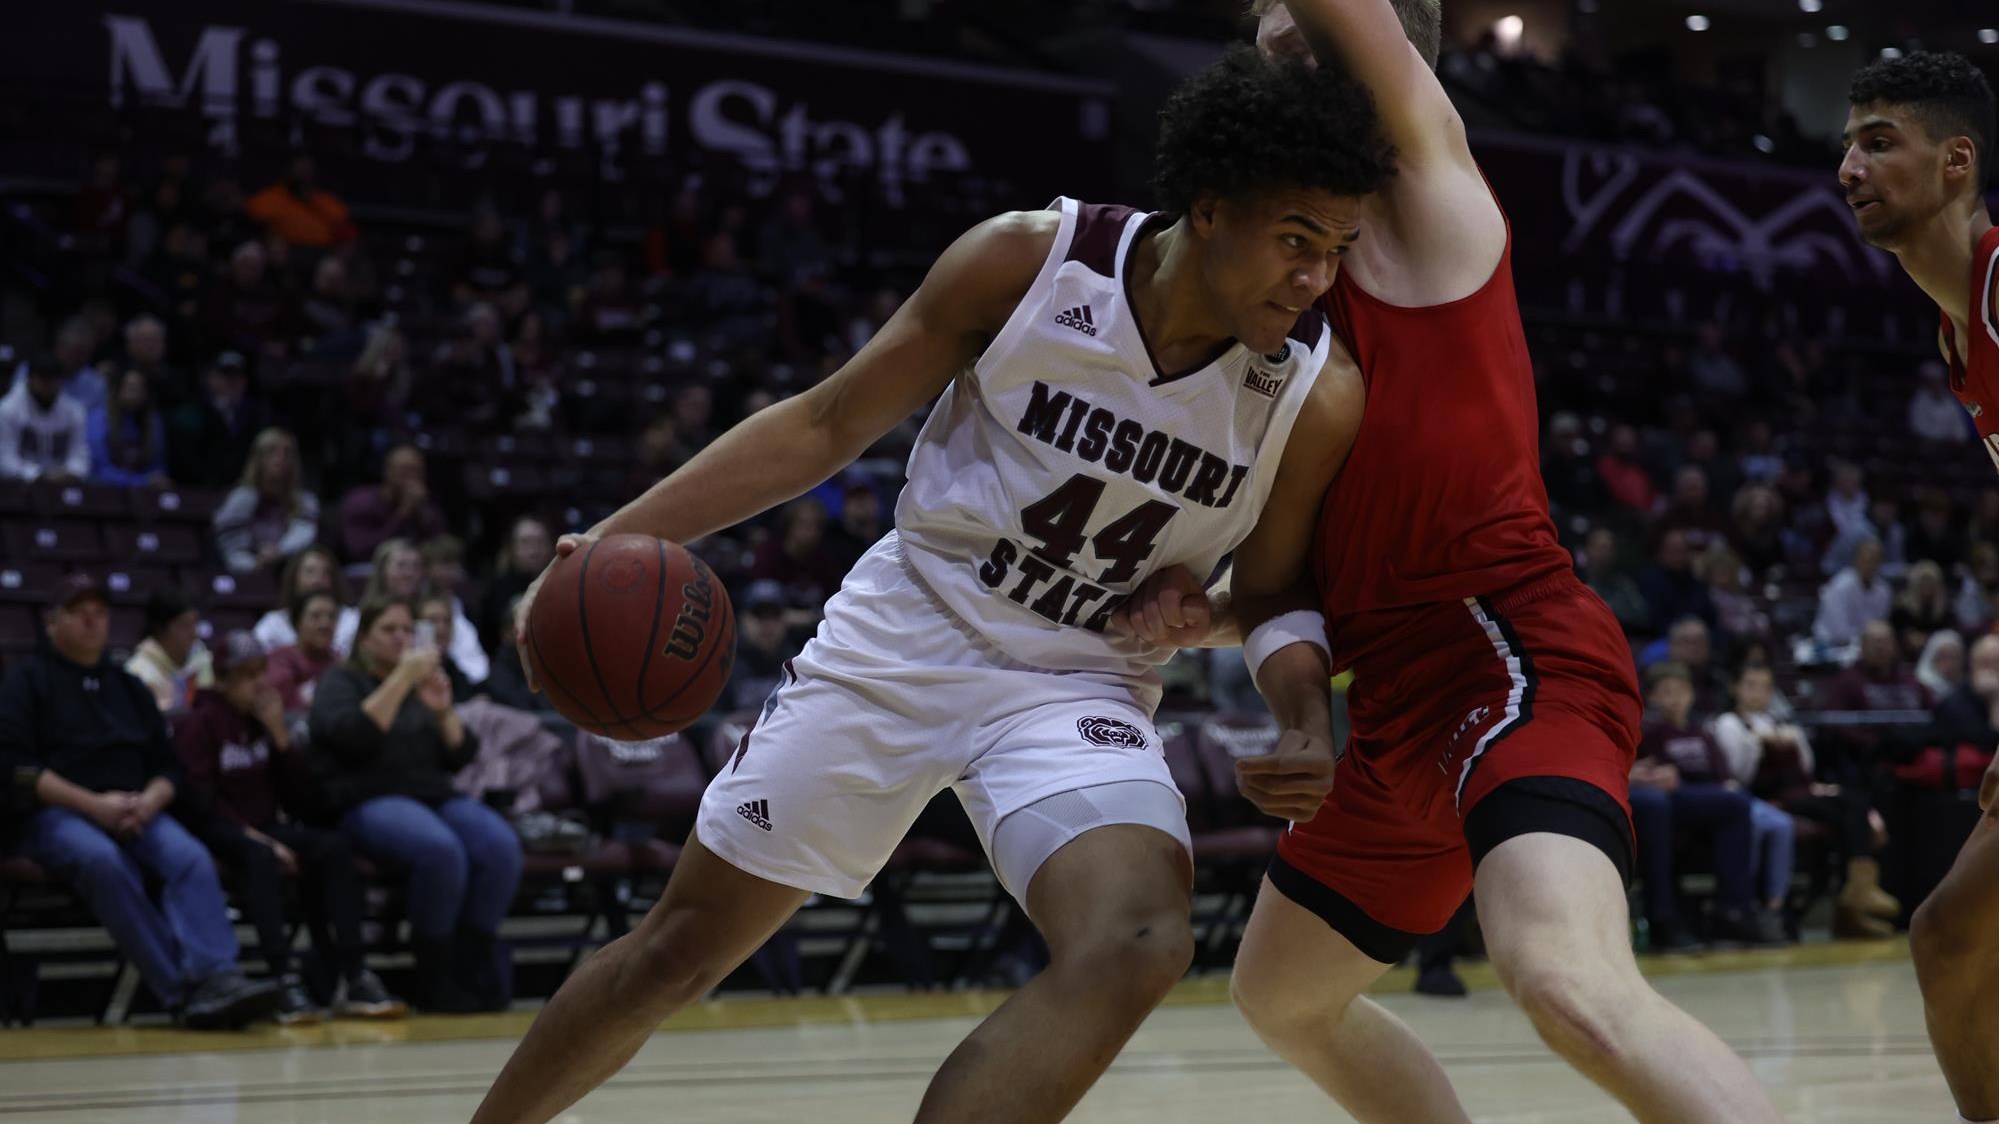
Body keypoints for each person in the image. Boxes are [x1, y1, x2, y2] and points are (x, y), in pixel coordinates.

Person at [470, 48, 1392, 1124]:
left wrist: (1293, 711)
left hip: (1079, 681)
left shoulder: (1314, 394)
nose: (1314, 279)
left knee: (1139, 937)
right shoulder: (1028, 263)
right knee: (678, 950)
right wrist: (601, 546)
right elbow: (822, 424)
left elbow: (1275, 589)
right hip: (907, 629)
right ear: (1211, 206)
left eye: (1336, 250)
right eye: (1294, 241)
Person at [1122, 4, 1785, 1120]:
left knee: (1566, 983)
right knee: (1281, 995)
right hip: (1390, 707)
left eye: (1298, 31)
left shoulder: (1429, 202)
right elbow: (1337, 563)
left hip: (1512, 660)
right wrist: (1216, 615)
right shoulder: (1287, 297)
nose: (1273, 44)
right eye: (1262, 34)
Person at [1843, 51, 1999, 1105]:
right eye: (1846, 145)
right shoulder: (1956, 325)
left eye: (1877, 140)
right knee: (1948, 938)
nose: (1849, 165)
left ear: (1956, 161)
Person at [0, 574, 281, 1028]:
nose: (93, 622)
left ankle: (219, 977)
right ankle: (180, 991)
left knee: (188, 856)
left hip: (137, 808)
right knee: (103, 860)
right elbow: (17, 769)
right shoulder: (25, 683)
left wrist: (148, 802)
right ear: (52, 622)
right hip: (58, 814)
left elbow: (170, 767)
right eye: (80, 613)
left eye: (101, 613)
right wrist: (94, 806)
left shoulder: (127, 686)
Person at [174, 631, 406, 1024]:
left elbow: (303, 800)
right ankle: (281, 978)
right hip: (219, 829)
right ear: (224, 680)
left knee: (332, 848)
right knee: (262, 858)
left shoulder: (265, 719)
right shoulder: (201, 723)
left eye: (261, 672)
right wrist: (255, 836)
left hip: (267, 825)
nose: (259, 683)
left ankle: (354, 973)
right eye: (247, 675)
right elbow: (199, 805)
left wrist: (281, 739)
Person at [308, 596, 522, 1012]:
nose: (401, 639)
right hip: (366, 797)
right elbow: (353, 736)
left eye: (407, 630)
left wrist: (443, 713)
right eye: (389, 630)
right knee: (440, 851)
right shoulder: (341, 681)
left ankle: (471, 962)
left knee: (500, 845)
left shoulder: (420, 684)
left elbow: (461, 755)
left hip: (433, 794)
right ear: (364, 638)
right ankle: (433, 973)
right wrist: (400, 681)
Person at [1711, 663, 1900, 939]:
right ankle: (1854, 896)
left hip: (1798, 791)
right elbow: (1738, 774)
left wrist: (1790, 741)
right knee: (1845, 811)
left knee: (1853, 801)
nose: (1757, 693)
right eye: (1750, 685)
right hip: (1763, 797)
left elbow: (1806, 768)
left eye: (1765, 687)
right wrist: (1757, 744)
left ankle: (1856, 892)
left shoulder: (1781, 722)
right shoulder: (1729, 724)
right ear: (1735, 688)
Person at [213, 428, 320, 575]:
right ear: (258, 459)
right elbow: (232, 549)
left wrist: (278, 552)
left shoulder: (306, 501)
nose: (280, 458)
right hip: (245, 573)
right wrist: (254, 564)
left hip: (289, 571)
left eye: (287, 453)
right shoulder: (241, 497)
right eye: (271, 452)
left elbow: (303, 536)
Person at [336, 445, 445, 561]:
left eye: (417, 471)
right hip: (367, 569)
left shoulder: (426, 504)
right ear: (388, 471)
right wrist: (403, 514)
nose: (412, 477)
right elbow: (360, 550)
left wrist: (422, 512)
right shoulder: (361, 501)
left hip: (416, 568)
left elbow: (441, 549)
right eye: (404, 470)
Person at [0, 352, 91, 482]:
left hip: (62, 482)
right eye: (43, 379)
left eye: (53, 380)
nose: (48, 385)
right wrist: (38, 475)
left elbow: (80, 456)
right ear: (30, 378)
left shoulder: (74, 411)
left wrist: (70, 472)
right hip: (21, 483)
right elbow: (5, 460)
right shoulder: (8, 409)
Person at [124, 588, 211, 715]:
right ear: (160, 628)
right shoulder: (138, 673)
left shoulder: (202, 659)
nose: (194, 633)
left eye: (195, 624)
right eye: (184, 625)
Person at [333, 538, 425, 657]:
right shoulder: (354, 620)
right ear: (382, 570)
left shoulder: (428, 616)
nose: (409, 573)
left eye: (415, 567)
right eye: (401, 566)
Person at [255, 544, 346, 650]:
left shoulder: (352, 620)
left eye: (326, 573)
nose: (317, 580)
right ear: (294, 579)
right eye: (310, 572)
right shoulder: (273, 623)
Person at [267, 589, 341, 712]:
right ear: (297, 622)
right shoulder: (280, 660)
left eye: (332, 617)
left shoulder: (340, 664)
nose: (326, 623)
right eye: (315, 616)